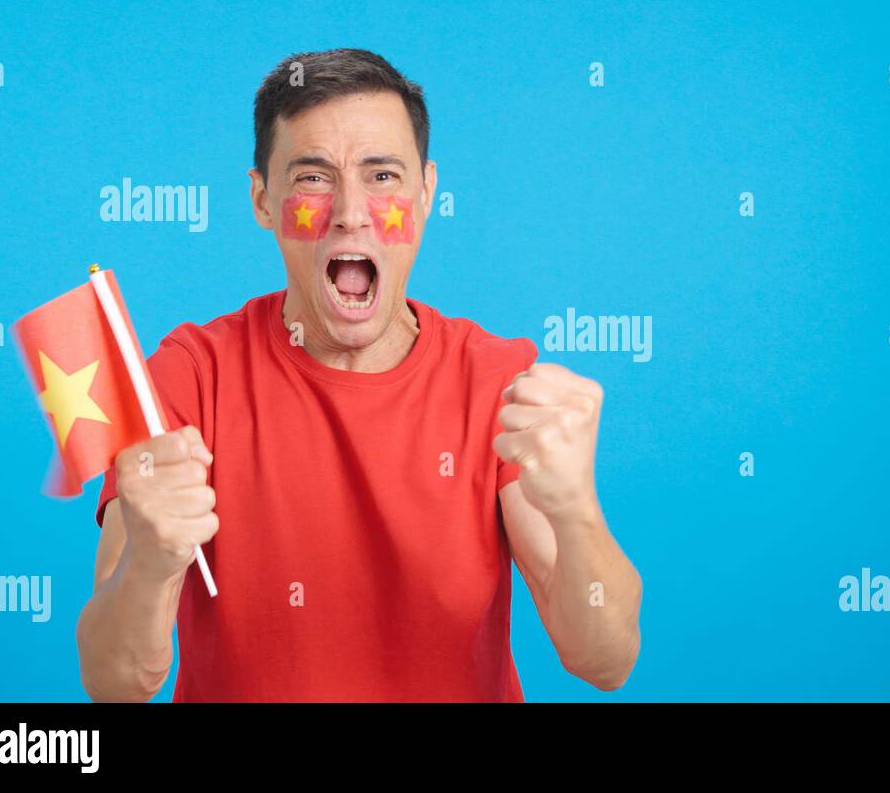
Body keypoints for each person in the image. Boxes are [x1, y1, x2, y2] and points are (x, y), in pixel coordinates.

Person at [75, 49, 642, 702]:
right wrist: (148, 561)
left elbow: (606, 658)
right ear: (263, 199)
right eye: (313, 178)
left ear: (426, 192)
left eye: (382, 175)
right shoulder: (185, 377)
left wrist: (576, 509)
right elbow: (113, 682)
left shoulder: (498, 383)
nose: (350, 210)